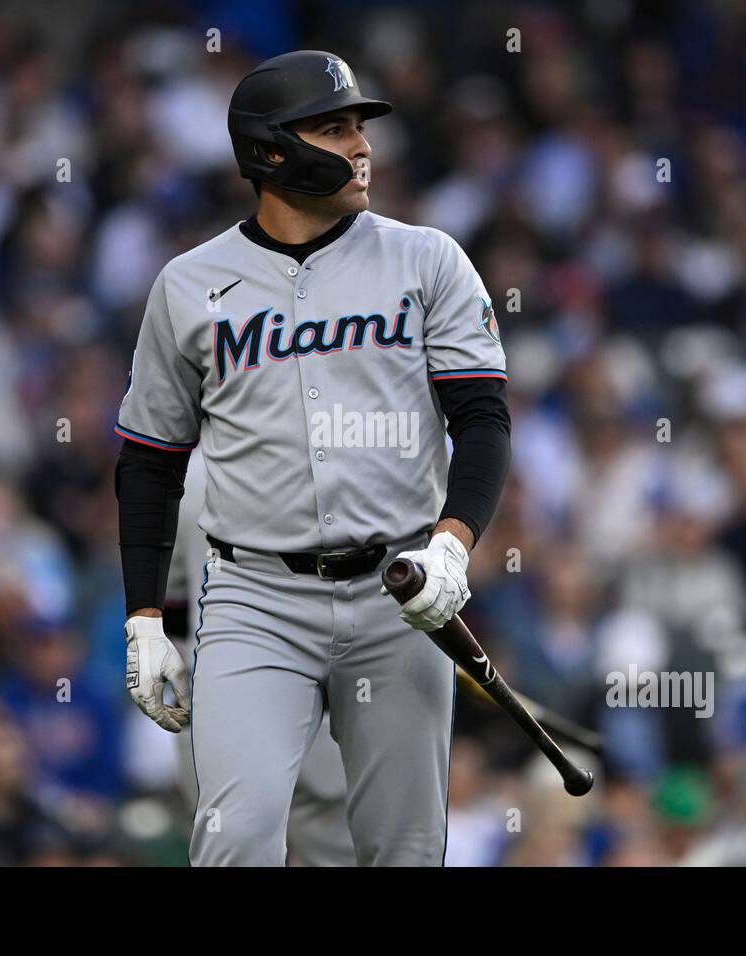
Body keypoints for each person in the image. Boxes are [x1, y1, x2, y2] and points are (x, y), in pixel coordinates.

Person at [114, 50, 510, 866]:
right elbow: (150, 461)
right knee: (237, 840)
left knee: (403, 851)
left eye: (360, 127)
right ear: (269, 151)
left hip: (397, 596)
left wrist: (452, 544)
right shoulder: (190, 285)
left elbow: (483, 419)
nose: (361, 146)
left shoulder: (428, 258)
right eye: (334, 127)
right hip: (254, 598)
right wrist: (146, 618)